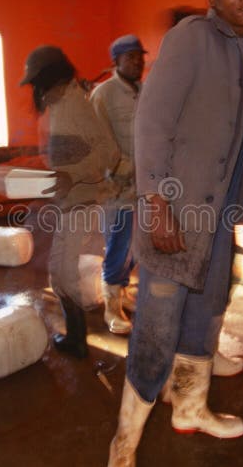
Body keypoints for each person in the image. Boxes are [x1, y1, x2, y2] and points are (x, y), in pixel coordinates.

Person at [107, 0, 243, 465]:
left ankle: (190, 408)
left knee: (206, 313)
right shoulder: (191, 38)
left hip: (218, 217)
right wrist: (155, 203)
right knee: (157, 321)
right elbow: (151, 122)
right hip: (176, 210)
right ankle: (123, 444)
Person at [20, 45, 121, 359]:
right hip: (70, 201)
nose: (36, 90)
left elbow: (109, 155)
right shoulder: (61, 103)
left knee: (63, 272)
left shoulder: (75, 104)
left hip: (84, 202)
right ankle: (75, 334)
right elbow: (69, 155)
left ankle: (78, 339)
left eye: (38, 82)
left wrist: (71, 176)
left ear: (52, 77)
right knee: (58, 271)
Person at [90, 34, 146, 334]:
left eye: (140, 56)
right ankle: (111, 306)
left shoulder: (145, 90)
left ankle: (122, 291)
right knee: (118, 242)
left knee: (140, 242)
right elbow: (99, 143)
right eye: (131, 57)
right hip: (117, 185)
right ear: (116, 61)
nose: (138, 62)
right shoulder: (103, 94)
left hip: (145, 183)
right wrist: (122, 169)